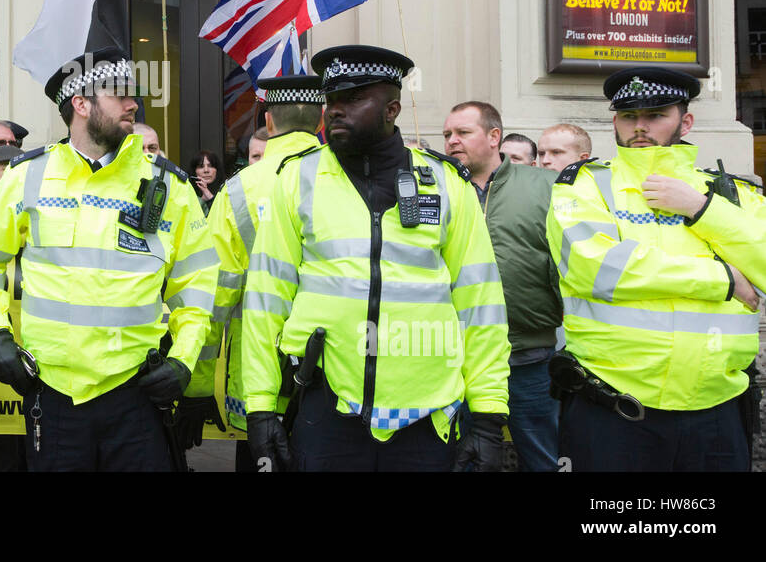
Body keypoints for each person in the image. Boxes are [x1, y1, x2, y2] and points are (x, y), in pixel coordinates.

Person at [244, 45, 509, 472]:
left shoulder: (446, 185)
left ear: (392, 109)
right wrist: (260, 408)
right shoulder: (297, 178)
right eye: (331, 100)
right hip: (328, 405)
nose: (335, 111)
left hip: (428, 412)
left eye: (352, 99)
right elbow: (264, 299)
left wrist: (489, 417)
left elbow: (481, 306)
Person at [0, 47, 219, 471]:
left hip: (139, 395)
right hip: (56, 399)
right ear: (80, 103)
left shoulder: (167, 183)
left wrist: (183, 360)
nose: (133, 103)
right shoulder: (28, 176)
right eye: (119, 93)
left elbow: (198, 281)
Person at [548, 67, 764, 471]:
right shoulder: (585, 185)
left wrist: (701, 209)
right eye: (629, 117)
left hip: (716, 411)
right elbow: (595, 268)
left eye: (656, 115)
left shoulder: (733, 193)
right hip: (613, 410)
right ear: (614, 121)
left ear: (686, 121)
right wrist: (724, 279)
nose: (640, 127)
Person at [193, 75, 324, 472]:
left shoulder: (238, 190)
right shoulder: (344, 179)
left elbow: (214, 294)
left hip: (255, 373)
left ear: (268, 123)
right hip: (330, 372)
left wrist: (198, 384)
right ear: (321, 121)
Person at [442, 102, 562, 472]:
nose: (451, 142)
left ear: (494, 137)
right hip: (453, 361)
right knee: (459, 461)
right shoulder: (437, 188)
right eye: (447, 135)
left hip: (529, 356)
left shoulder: (545, 186)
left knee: (543, 458)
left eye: (463, 133)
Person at [188, 149, 224, 213]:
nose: (206, 170)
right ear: (194, 171)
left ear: (217, 170)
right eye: (201, 166)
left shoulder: (226, 190)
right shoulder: (187, 191)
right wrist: (201, 201)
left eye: (210, 166)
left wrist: (208, 195)